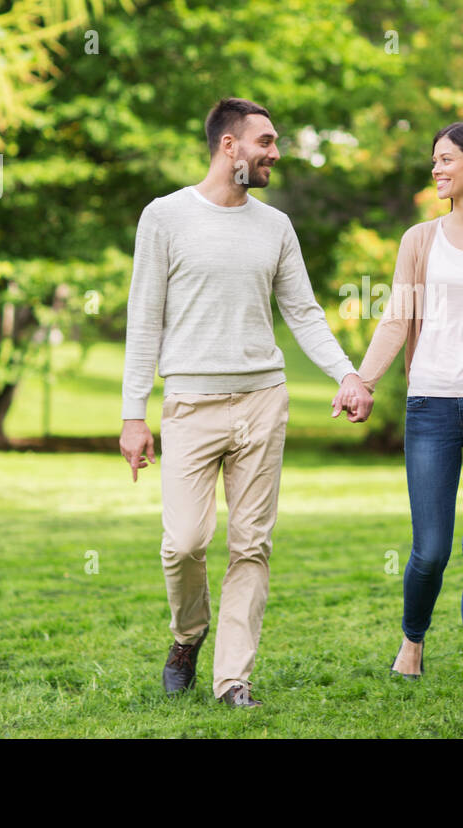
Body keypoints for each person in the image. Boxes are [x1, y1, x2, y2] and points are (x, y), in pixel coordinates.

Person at [120, 97, 373, 708]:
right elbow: (143, 319)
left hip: (263, 399)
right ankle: (187, 635)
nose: (275, 153)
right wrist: (133, 414)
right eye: (266, 142)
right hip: (190, 402)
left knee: (251, 544)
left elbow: (303, 314)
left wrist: (349, 375)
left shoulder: (275, 226)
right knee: (183, 543)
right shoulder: (165, 217)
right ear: (228, 145)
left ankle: (233, 679)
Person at [332, 120, 463, 704]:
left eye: (446, 160)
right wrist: (362, 379)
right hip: (430, 402)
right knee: (430, 549)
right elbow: (398, 318)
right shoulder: (419, 240)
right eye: (434, 160)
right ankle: (413, 639)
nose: (436, 170)